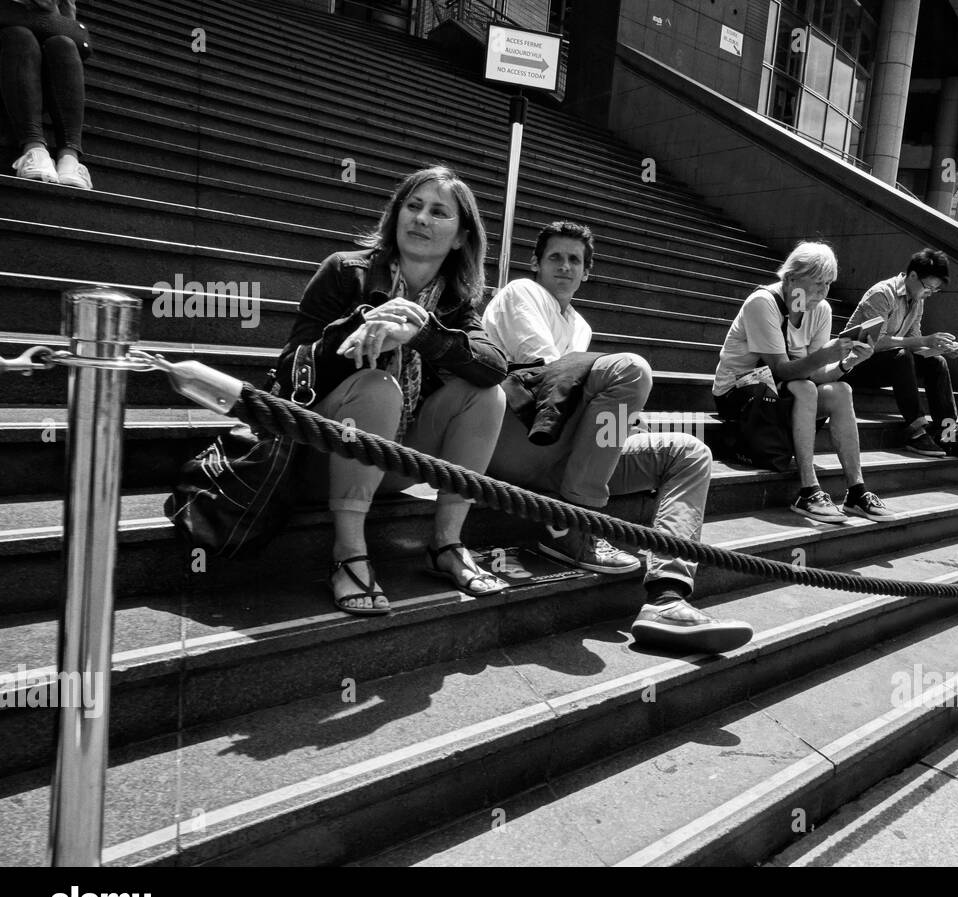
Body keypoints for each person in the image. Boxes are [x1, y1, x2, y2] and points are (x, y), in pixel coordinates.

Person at [482, 220, 752, 653]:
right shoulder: (521, 293)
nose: (566, 266)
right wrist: (615, 408)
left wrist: (621, 420)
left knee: (689, 451)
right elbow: (550, 375)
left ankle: (666, 595)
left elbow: (582, 393)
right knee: (631, 369)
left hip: (566, 452)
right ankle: (571, 525)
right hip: (513, 438)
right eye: (555, 257)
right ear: (535, 263)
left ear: (587, 271)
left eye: (575, 260)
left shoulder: (581, 325)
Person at [278, 165, 509, 615]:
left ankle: (446, 544)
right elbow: (290, 371)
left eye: (439, 212)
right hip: (321, 456)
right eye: (414, 205)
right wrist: (362, 326)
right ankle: (347, 553)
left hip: (391, 460)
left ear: (461, 236)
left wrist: (421, 334)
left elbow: (494, 367)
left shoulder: (454, 303)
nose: (421, 218)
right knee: (378, 386)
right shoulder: (345, 272)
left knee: (485, 395)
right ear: (396, 213)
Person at [712, 240, 895, 525]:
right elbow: (783, 370)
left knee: (841, 390)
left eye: (828, 284)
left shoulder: (820, 310)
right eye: (818, 283)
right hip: (738, 394)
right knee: (804, 388)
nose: (823, 292)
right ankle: (808, 488)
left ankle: (856, 491)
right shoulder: (762, 303)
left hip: (781, 393)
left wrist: (848, 361)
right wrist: (825, 354)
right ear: (791, 277)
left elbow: (816, 373)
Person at [840, 249, 958, 458]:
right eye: (928, 287)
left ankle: (948, 432)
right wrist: (924, 340)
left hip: (889, 362)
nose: (929, 293)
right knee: (902, 355)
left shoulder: (917, 300)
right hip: (855, 364)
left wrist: (940, 349)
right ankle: (916, 431)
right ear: (913, 276)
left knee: (937, 362)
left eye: (935, 290)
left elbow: (915, 340)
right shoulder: (882, 294)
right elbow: (875, 342)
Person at [2, 1, 92, 187]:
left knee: (64, 43)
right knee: (20, 37)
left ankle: (70, 157)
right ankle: (34, 148)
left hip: (42, 28)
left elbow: (68, 18)